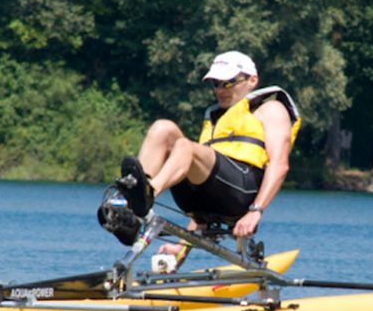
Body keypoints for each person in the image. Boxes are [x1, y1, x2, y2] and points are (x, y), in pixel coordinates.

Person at [103, 50, 301, 250]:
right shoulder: (215, 120)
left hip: (243, 194)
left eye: (228, 83)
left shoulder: (271, 109)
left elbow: (279, 165)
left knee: (185, 146)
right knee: (162, 128)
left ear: (252, 80)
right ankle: (130, 211)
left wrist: (255, 211)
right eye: (216, 84)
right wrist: (180, 249)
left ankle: (146, 194)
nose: (220, 90)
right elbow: (204, 192)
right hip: (206, 198)